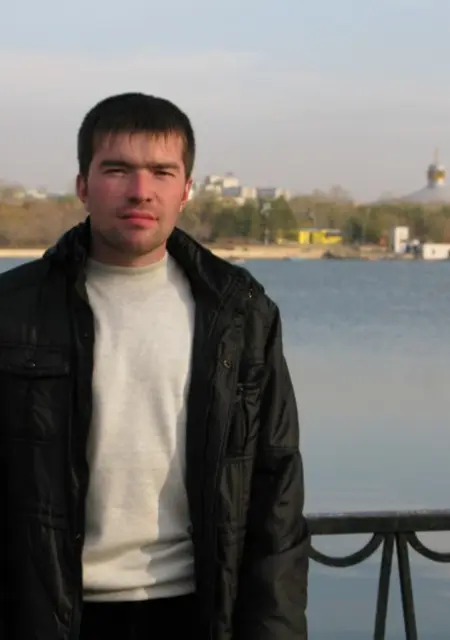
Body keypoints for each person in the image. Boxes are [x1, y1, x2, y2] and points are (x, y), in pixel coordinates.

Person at [0, 92, 309, 639]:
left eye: (162, 172)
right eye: (117, 169)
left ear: (186, 189)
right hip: (45, 613)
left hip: (197, 612)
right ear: (83, 185)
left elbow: (275, 496)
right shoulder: (14, 310)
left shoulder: (240, 314)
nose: (140, 191)